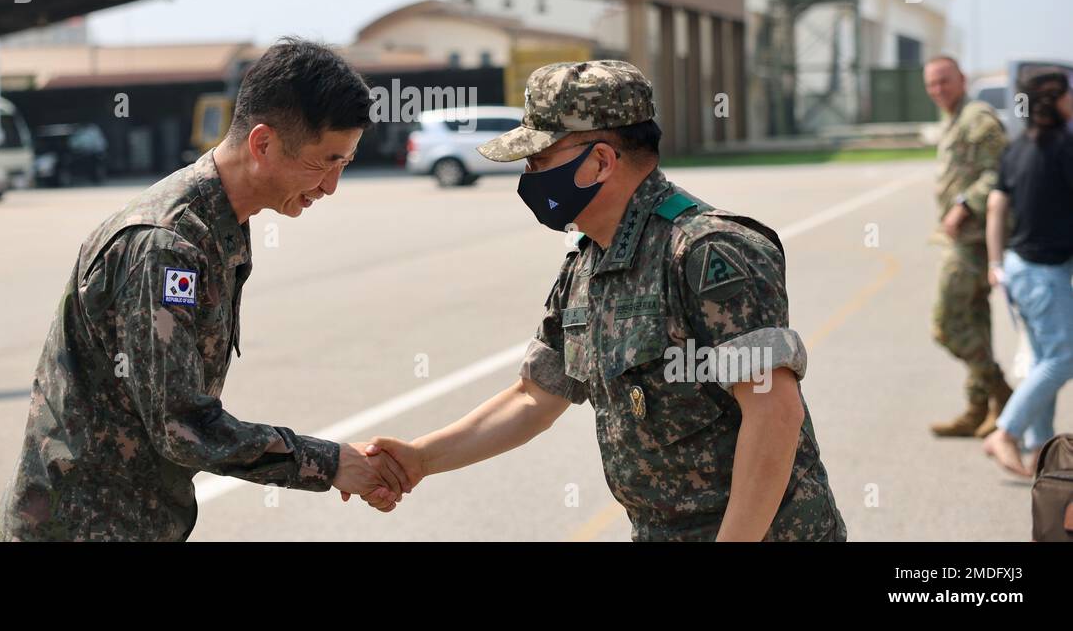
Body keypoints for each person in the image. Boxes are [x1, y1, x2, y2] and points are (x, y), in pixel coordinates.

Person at [359, 60, 846, 541]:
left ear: (599, 161)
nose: (529, 176)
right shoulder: (587, 264)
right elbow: (535, 396)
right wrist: (420, 458)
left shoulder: (707, 251)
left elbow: (773, 413)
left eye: (539, 159)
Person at [0, 38, 408, 540]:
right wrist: (330, 464)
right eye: (326, 162)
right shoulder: (165, 245)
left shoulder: (220, 224)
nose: (330, 187)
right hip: (80, 528)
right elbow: (182, 426)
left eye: (344, 165)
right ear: (263, 144)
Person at [982, 68, 1073, 476]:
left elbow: (995, 207)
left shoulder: (1015, 149)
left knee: (1043, 360)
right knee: (1064, 357)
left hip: (1017, 270)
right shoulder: (1066, 149)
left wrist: (994, 262)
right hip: (1044, 274)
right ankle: (1006, 431)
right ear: (1054, 100)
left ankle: (1040, 450)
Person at [922, 55, 1012, 436]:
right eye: (932, 85)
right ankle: (979, 408)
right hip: (961, 240)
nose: (938, 90)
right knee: (976, 321)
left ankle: (1001, 390)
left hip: (974, 242)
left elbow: (1002, 170)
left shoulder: (978, 118)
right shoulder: (953, 119)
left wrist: (964, 205)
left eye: (945, 81)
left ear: (962, 79)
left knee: (946, 325)